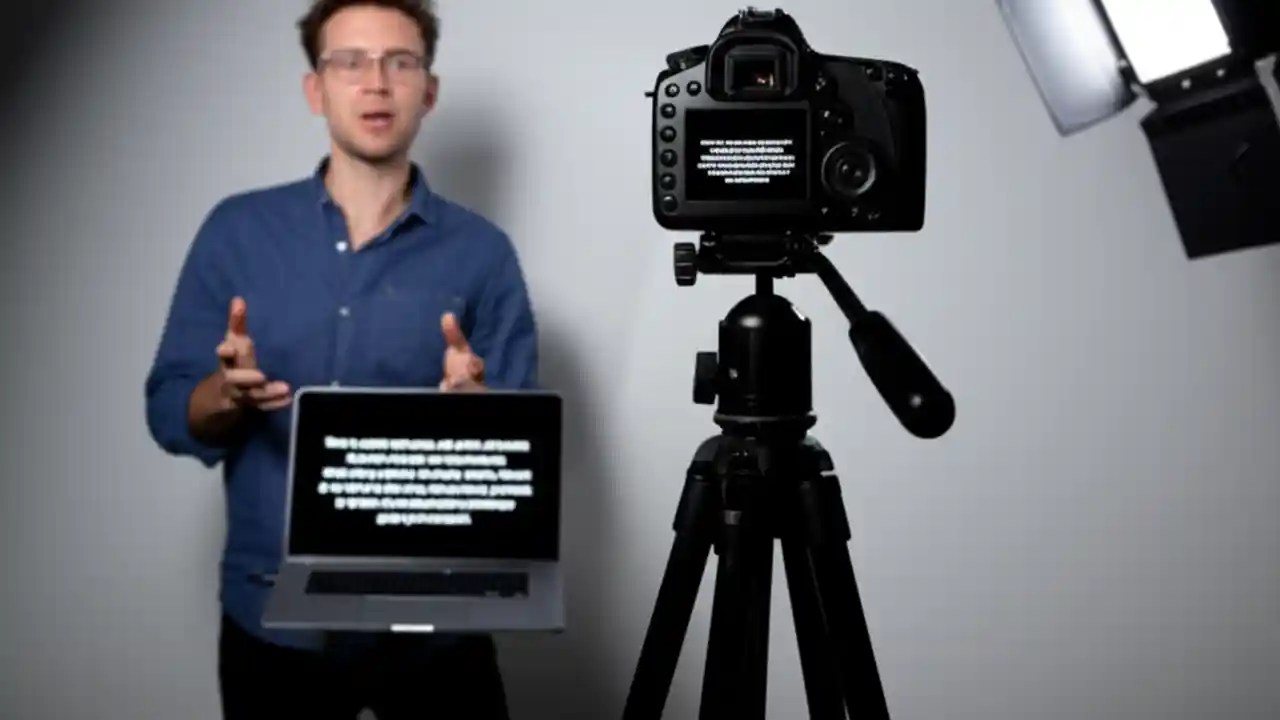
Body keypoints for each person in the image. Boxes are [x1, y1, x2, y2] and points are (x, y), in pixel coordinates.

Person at [143, 0, 536, 717]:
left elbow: (520, 452)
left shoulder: (484, 254)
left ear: (429, 89)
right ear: (315, 89)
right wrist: (223, 394)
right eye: (349, 61)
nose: (376, 82)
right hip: (272, 621)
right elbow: (170, 411)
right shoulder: (237, 231)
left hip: (435, 624)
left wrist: (480, 422)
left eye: (401, 61)